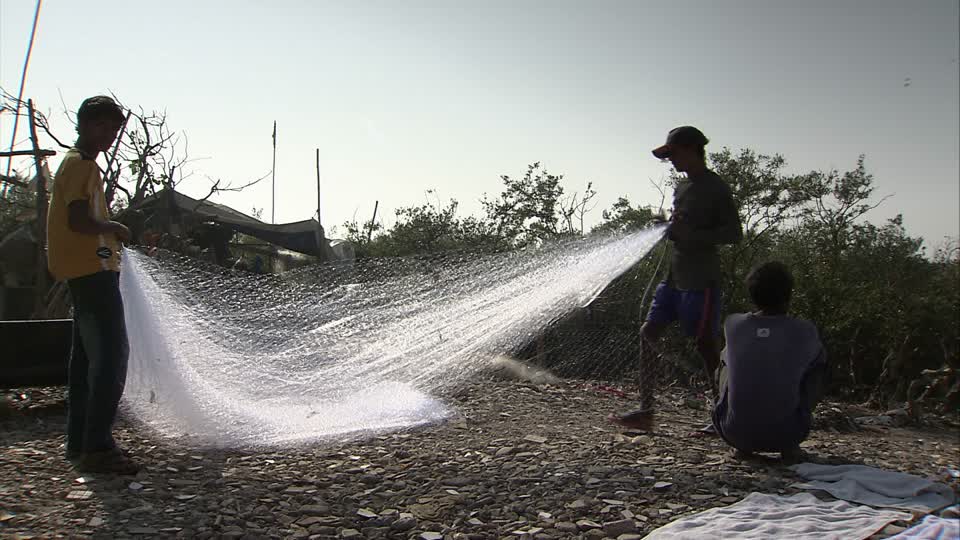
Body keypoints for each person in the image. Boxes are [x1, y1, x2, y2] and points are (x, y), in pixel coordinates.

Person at [610, 126, 742, 432]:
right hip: (674, 277)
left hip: (701, 279)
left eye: (673, 154)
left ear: (693, 149)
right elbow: (680, 225)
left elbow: (733, 234)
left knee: (706, 345)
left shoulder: (716, 188)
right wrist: (666, 225)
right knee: (648, 333)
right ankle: (646, 412)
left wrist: (691, 235)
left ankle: (726, 415)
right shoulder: (682, 188)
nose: (670, 161)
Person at [47, 95, 139, 474]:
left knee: (86, 360)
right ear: (85, 124)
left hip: (80, 270)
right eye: (104, 127)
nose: (110, 136)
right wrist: (113, 227)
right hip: (90, 271)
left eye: (115, 130)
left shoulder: (73, 164)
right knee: (112, 356)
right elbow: (79, 221)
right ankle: (98, 447)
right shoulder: (81, 165)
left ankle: (79, 442)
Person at [711, 262, 827, 461]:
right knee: (818, 366)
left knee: (725, 361)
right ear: (788, 294)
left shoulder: (733, 324)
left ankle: (743, 446)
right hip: (788, 434)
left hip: (733, 432)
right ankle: (790, 447)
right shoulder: (804, 330)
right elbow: (818, 364)